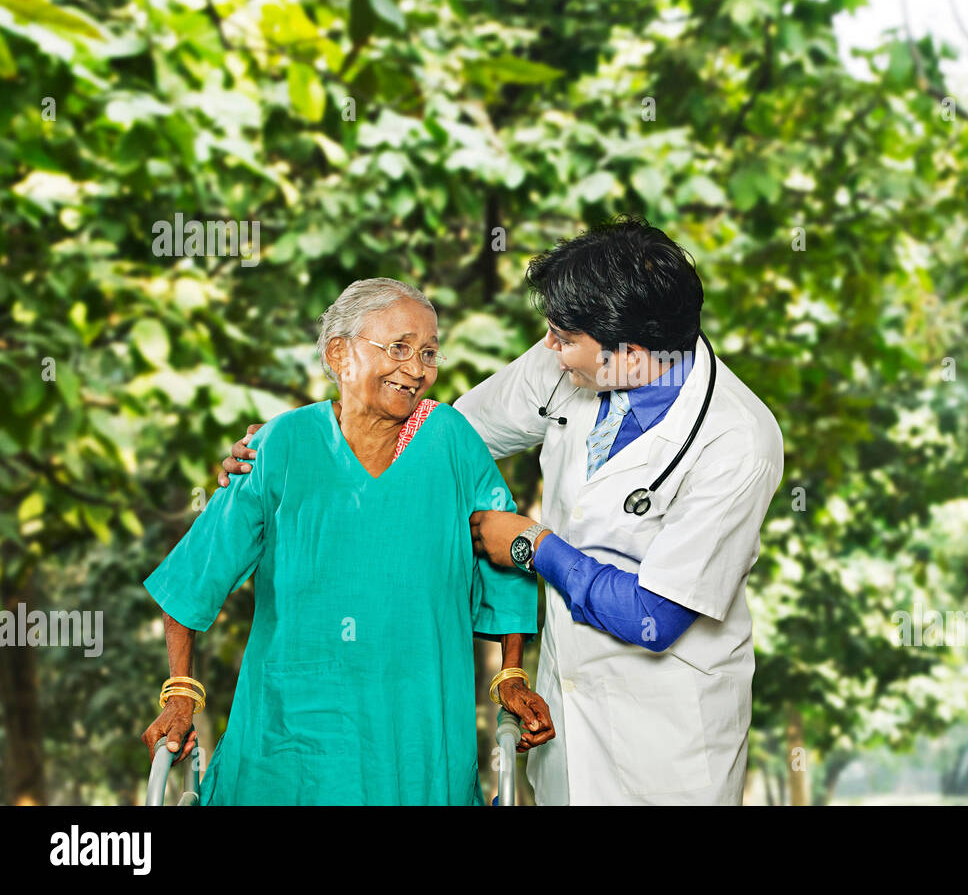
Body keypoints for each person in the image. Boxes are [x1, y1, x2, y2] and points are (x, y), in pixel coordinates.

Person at [221, 216, 784, 804]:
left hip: (668, 737)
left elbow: (657, 616)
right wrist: (310, 443)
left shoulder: (736, 441)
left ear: (631, 355)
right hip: (563, 708)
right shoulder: (570, 357)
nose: (548, 349)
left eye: (564, 339)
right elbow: (449, 435)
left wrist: (531, 545)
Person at [140, 278, 552, 805]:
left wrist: (511, 675)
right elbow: (197, 572)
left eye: (428, 352)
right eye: (399, 347)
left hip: (417, 728)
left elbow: (504, 559)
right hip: (290, 729)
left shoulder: (450, 439)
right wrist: (179, 692)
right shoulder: (279, 444)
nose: (417, 368)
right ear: (341, 353)